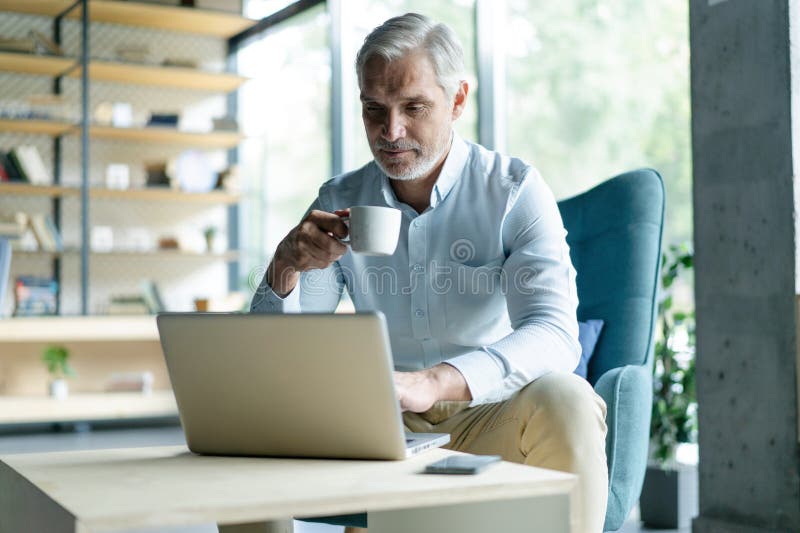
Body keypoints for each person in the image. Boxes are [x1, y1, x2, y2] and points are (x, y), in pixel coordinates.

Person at [251, 12, 608, 533]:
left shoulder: (512, 191)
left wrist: (438, 380)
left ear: (458, 100)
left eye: (413, 107)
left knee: (569, 397)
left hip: (492, 415)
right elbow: (276, 359)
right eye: (375, 110)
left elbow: (555, 335)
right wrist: (284, 269)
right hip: (377, 429)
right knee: (250, 422)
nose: (390, 132)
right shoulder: (339, 201)